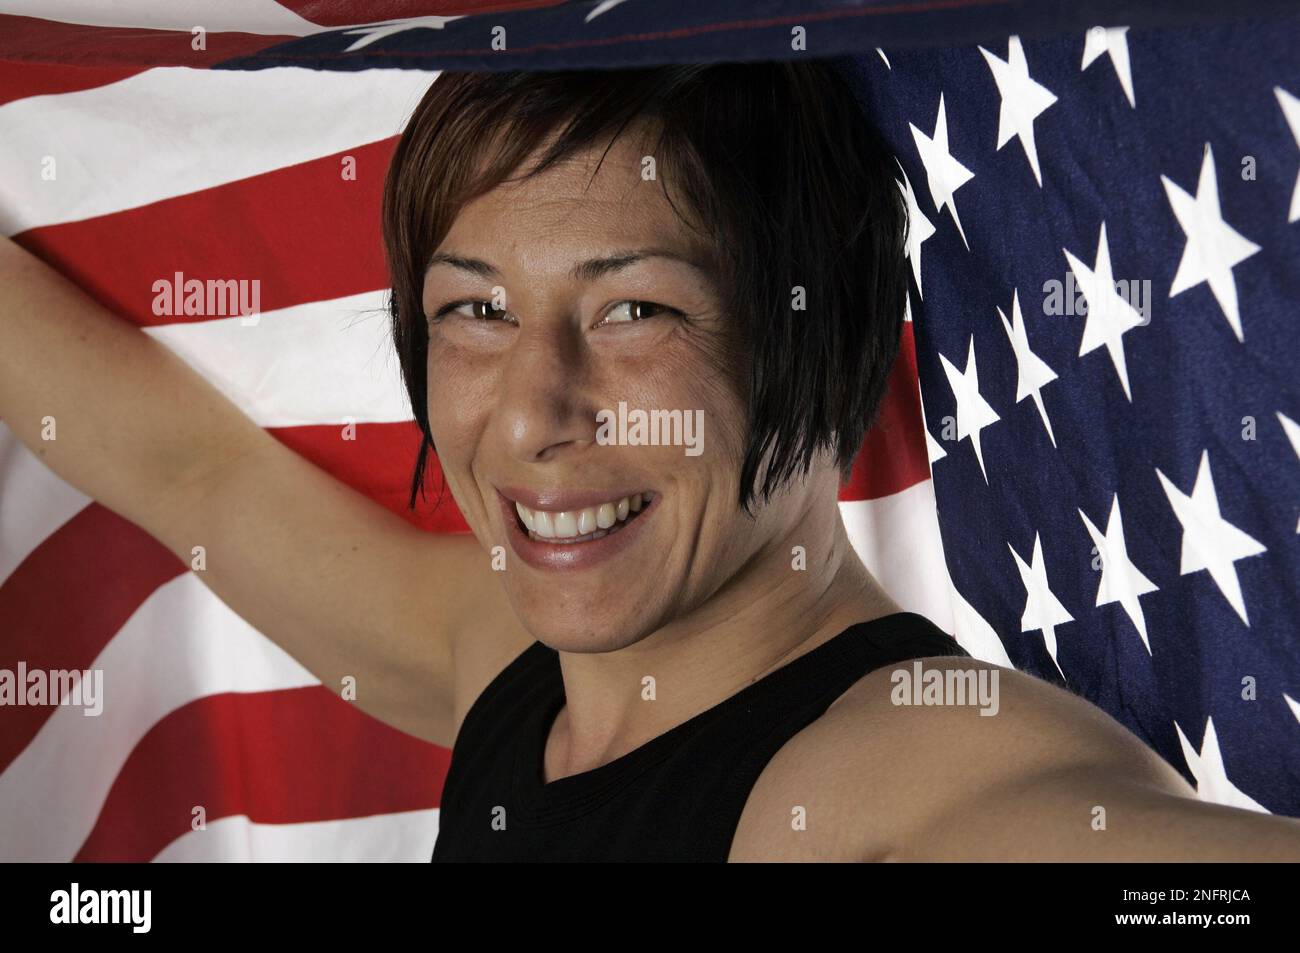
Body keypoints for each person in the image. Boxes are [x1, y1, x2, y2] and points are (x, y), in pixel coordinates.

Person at [1, 61, 1297, 862]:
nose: (533, 415)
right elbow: (192, 470)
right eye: (476, 310)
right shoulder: (505, 669)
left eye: (637, 311)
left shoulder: (914, 780)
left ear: (824, 332)